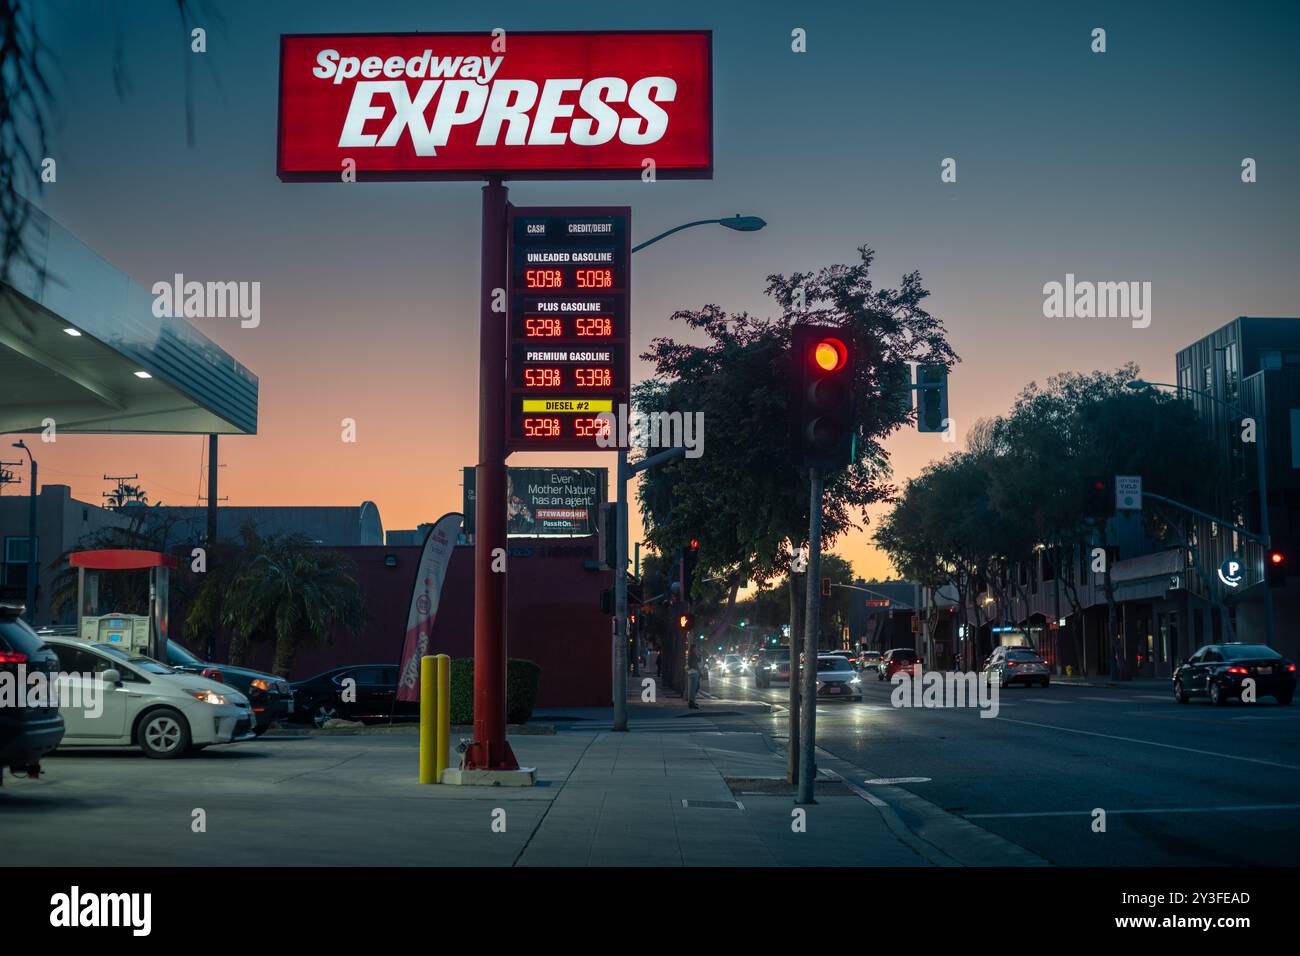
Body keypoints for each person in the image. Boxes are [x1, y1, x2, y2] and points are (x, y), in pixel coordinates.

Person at [687, 643, 701, 709]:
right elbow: (693, 663)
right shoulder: (692, 655)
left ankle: (692, 701)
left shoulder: (693, 654)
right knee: (693, 688)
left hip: (694, 671)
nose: (696, 649)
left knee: (696, 687)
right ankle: (691, 702)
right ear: (693, 649)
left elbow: (699, 661)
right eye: (695, 648)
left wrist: (699, 654)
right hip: (693, 671)